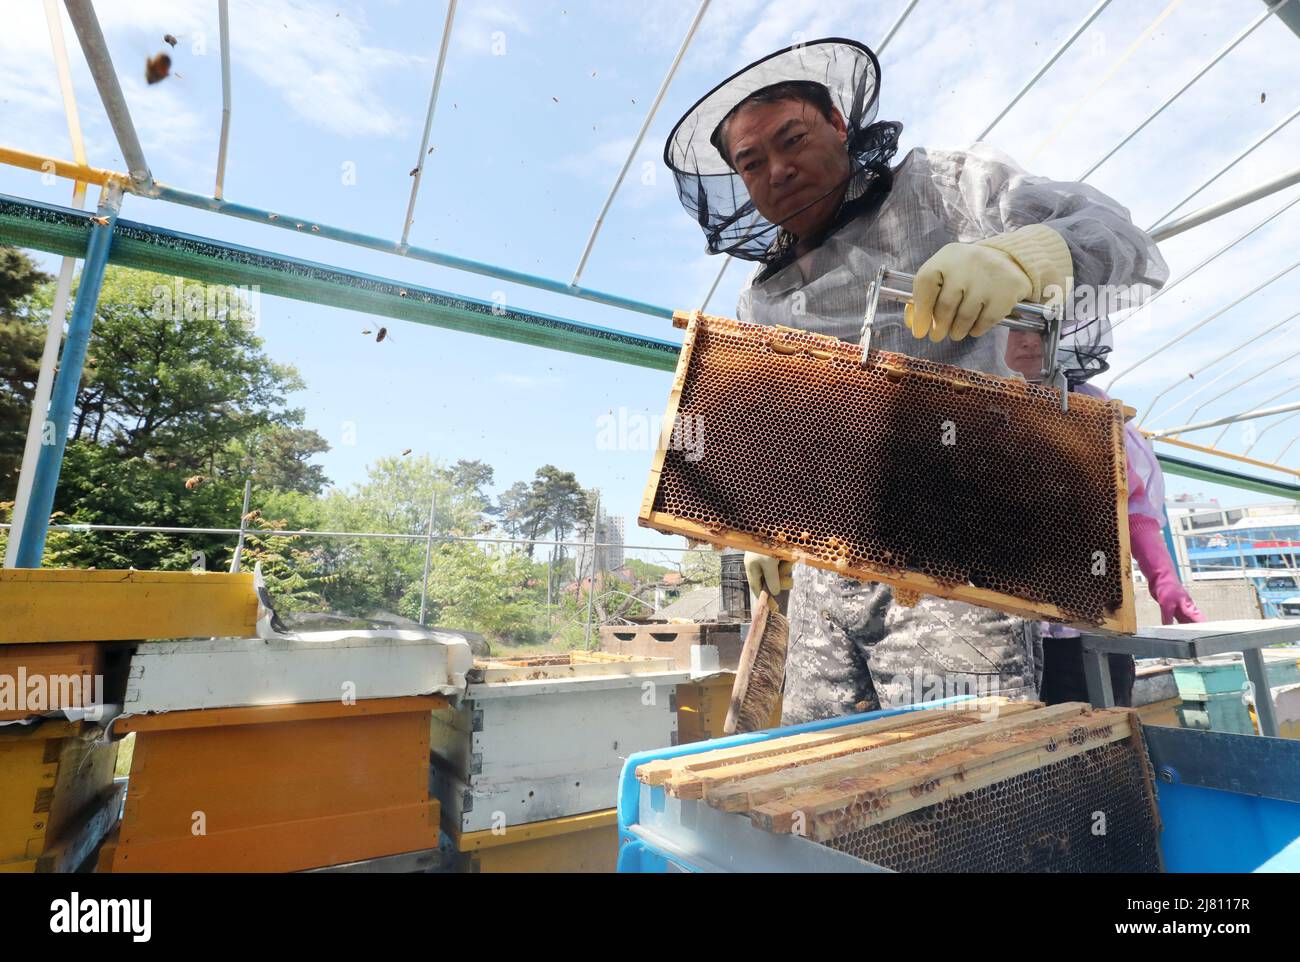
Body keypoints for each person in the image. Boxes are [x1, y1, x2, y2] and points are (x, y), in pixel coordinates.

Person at [663, 38, 1169, 724]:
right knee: (826, 772)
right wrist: (760, 537)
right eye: (753, 164)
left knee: (958, 778)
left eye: (793, 140)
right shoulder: (764, 297)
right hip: (825, 578)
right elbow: (774, 442)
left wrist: (1026, 255)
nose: (778, 171)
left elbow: (1125, 245)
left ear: (841, 125)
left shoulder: (946, 188)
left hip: (961, 562)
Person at [1003, 329, 1204, 705]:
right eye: (1015, 330)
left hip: (1092, 622)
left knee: (1105, 740)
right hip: (1002, 633)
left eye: (1040, 330)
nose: (1029, 342)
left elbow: (1133, 503)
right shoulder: (967, 398)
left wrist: (1164, 579)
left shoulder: (1094, 406)